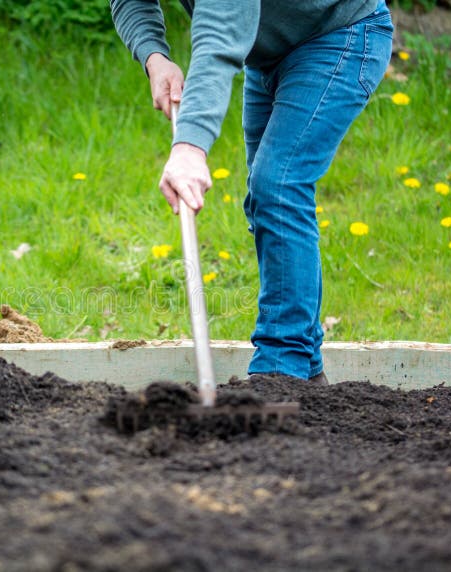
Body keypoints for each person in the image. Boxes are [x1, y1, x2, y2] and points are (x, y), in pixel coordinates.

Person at [110, 0, 393, 383]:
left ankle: (280, 373)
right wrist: (154, 56)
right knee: (268, 200)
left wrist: (190, 146)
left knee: (278, 185)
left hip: (339, 33)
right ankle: (307, 375)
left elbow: (219, 35)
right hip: (267, 54)